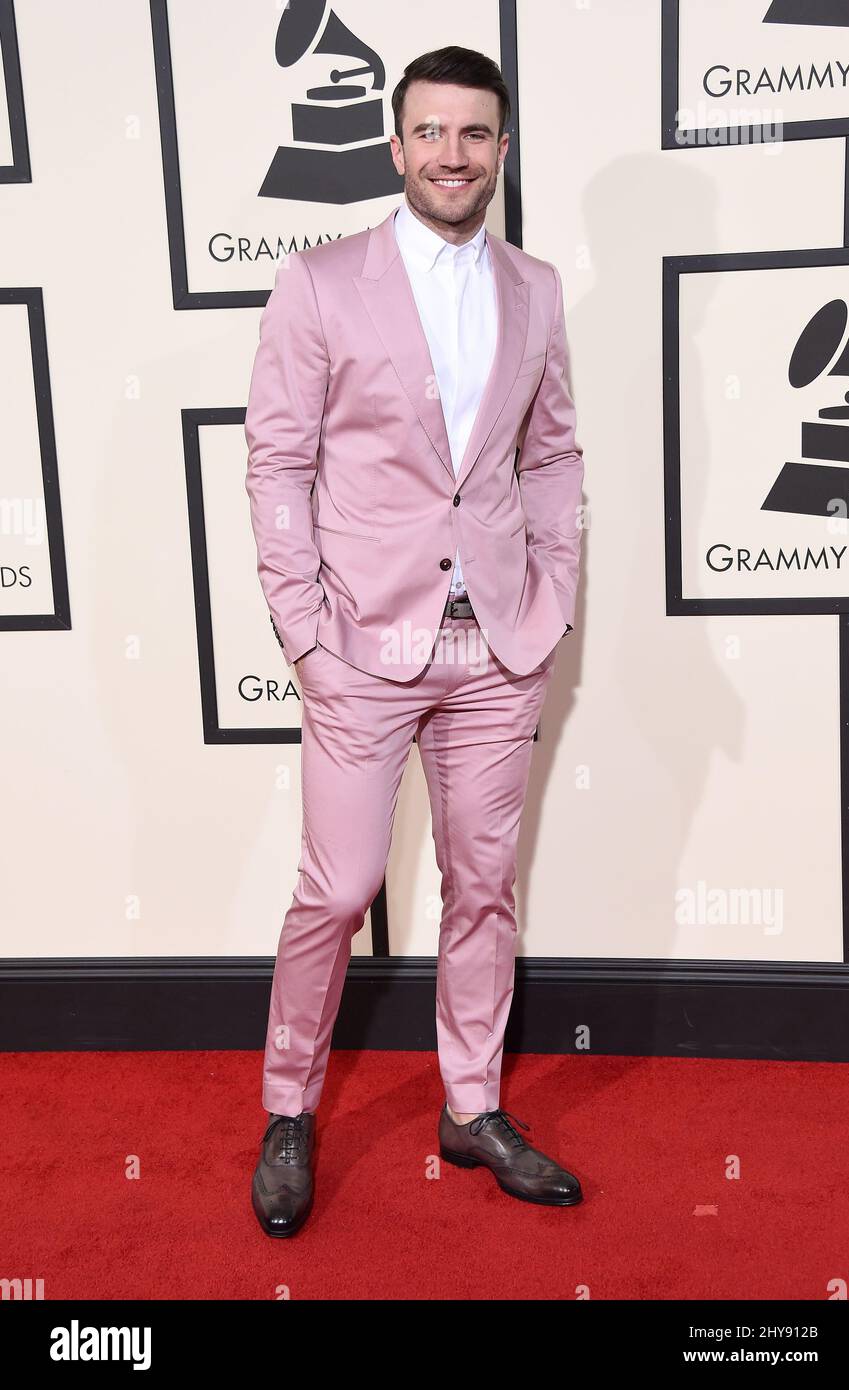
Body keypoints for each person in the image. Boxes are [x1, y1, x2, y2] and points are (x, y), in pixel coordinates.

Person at [244, 45, 585, 1237]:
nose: (453, 154)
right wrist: (304, 625)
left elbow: (549, 456)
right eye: (431, 133)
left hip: (495, 645)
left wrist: (552, 599)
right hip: (362, 644)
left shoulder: (536, 289)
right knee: (337, 888)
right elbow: (277, 460)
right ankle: (290, 1103)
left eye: (475, 134)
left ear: (500, 149)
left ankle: (471, 1102)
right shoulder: (320, 281)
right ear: (394, 148)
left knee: (483, 885)